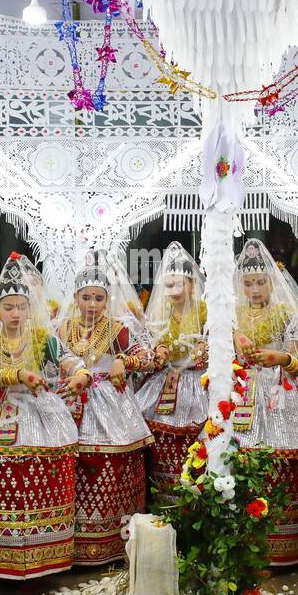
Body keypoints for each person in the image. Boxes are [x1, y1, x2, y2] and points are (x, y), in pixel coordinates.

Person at [0, 252, 86, 580]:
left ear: (30, 308)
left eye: (21, 307)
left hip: (38, 413)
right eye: (8, 307)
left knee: (38, 475)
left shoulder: (42, 337)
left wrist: (81, 376)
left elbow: (70, 361)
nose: (15, 313)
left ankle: (40, 556)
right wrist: (18, 374)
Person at [54, 251, 155, 565]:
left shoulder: (118, 328)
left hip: (110, 405)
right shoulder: (62, 329)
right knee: (72, 465)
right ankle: (70, 542)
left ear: (107, 299)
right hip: (71, 400)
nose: (93, 305)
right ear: (76, 297)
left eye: (99, 298)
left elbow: (148, 357)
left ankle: (112, 542)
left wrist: (124, 361)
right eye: (86, 298)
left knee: (110, 464)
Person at [231, 239, 298, 566]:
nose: (255, 289)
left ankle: (284, 544)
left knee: (281, 459)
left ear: (273, 280)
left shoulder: (287, 314)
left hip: (279, 394)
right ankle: (244, 540)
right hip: (242, 392)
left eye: (261, 282)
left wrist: (280, 357)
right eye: (248, 283)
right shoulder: (233, 316)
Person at [136, 242, 209, 491]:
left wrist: (204, 351)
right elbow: (150, 346)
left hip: (197, 383)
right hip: (165, 383)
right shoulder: (159, 314)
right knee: (161, 440)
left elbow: (217, 344)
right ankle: (163, 500)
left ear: (192, 284)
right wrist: (158, 351)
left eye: (181, 284)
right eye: (170, 285)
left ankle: (194, 498)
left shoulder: (205, 311)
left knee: (196, 439)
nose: (176, 290)